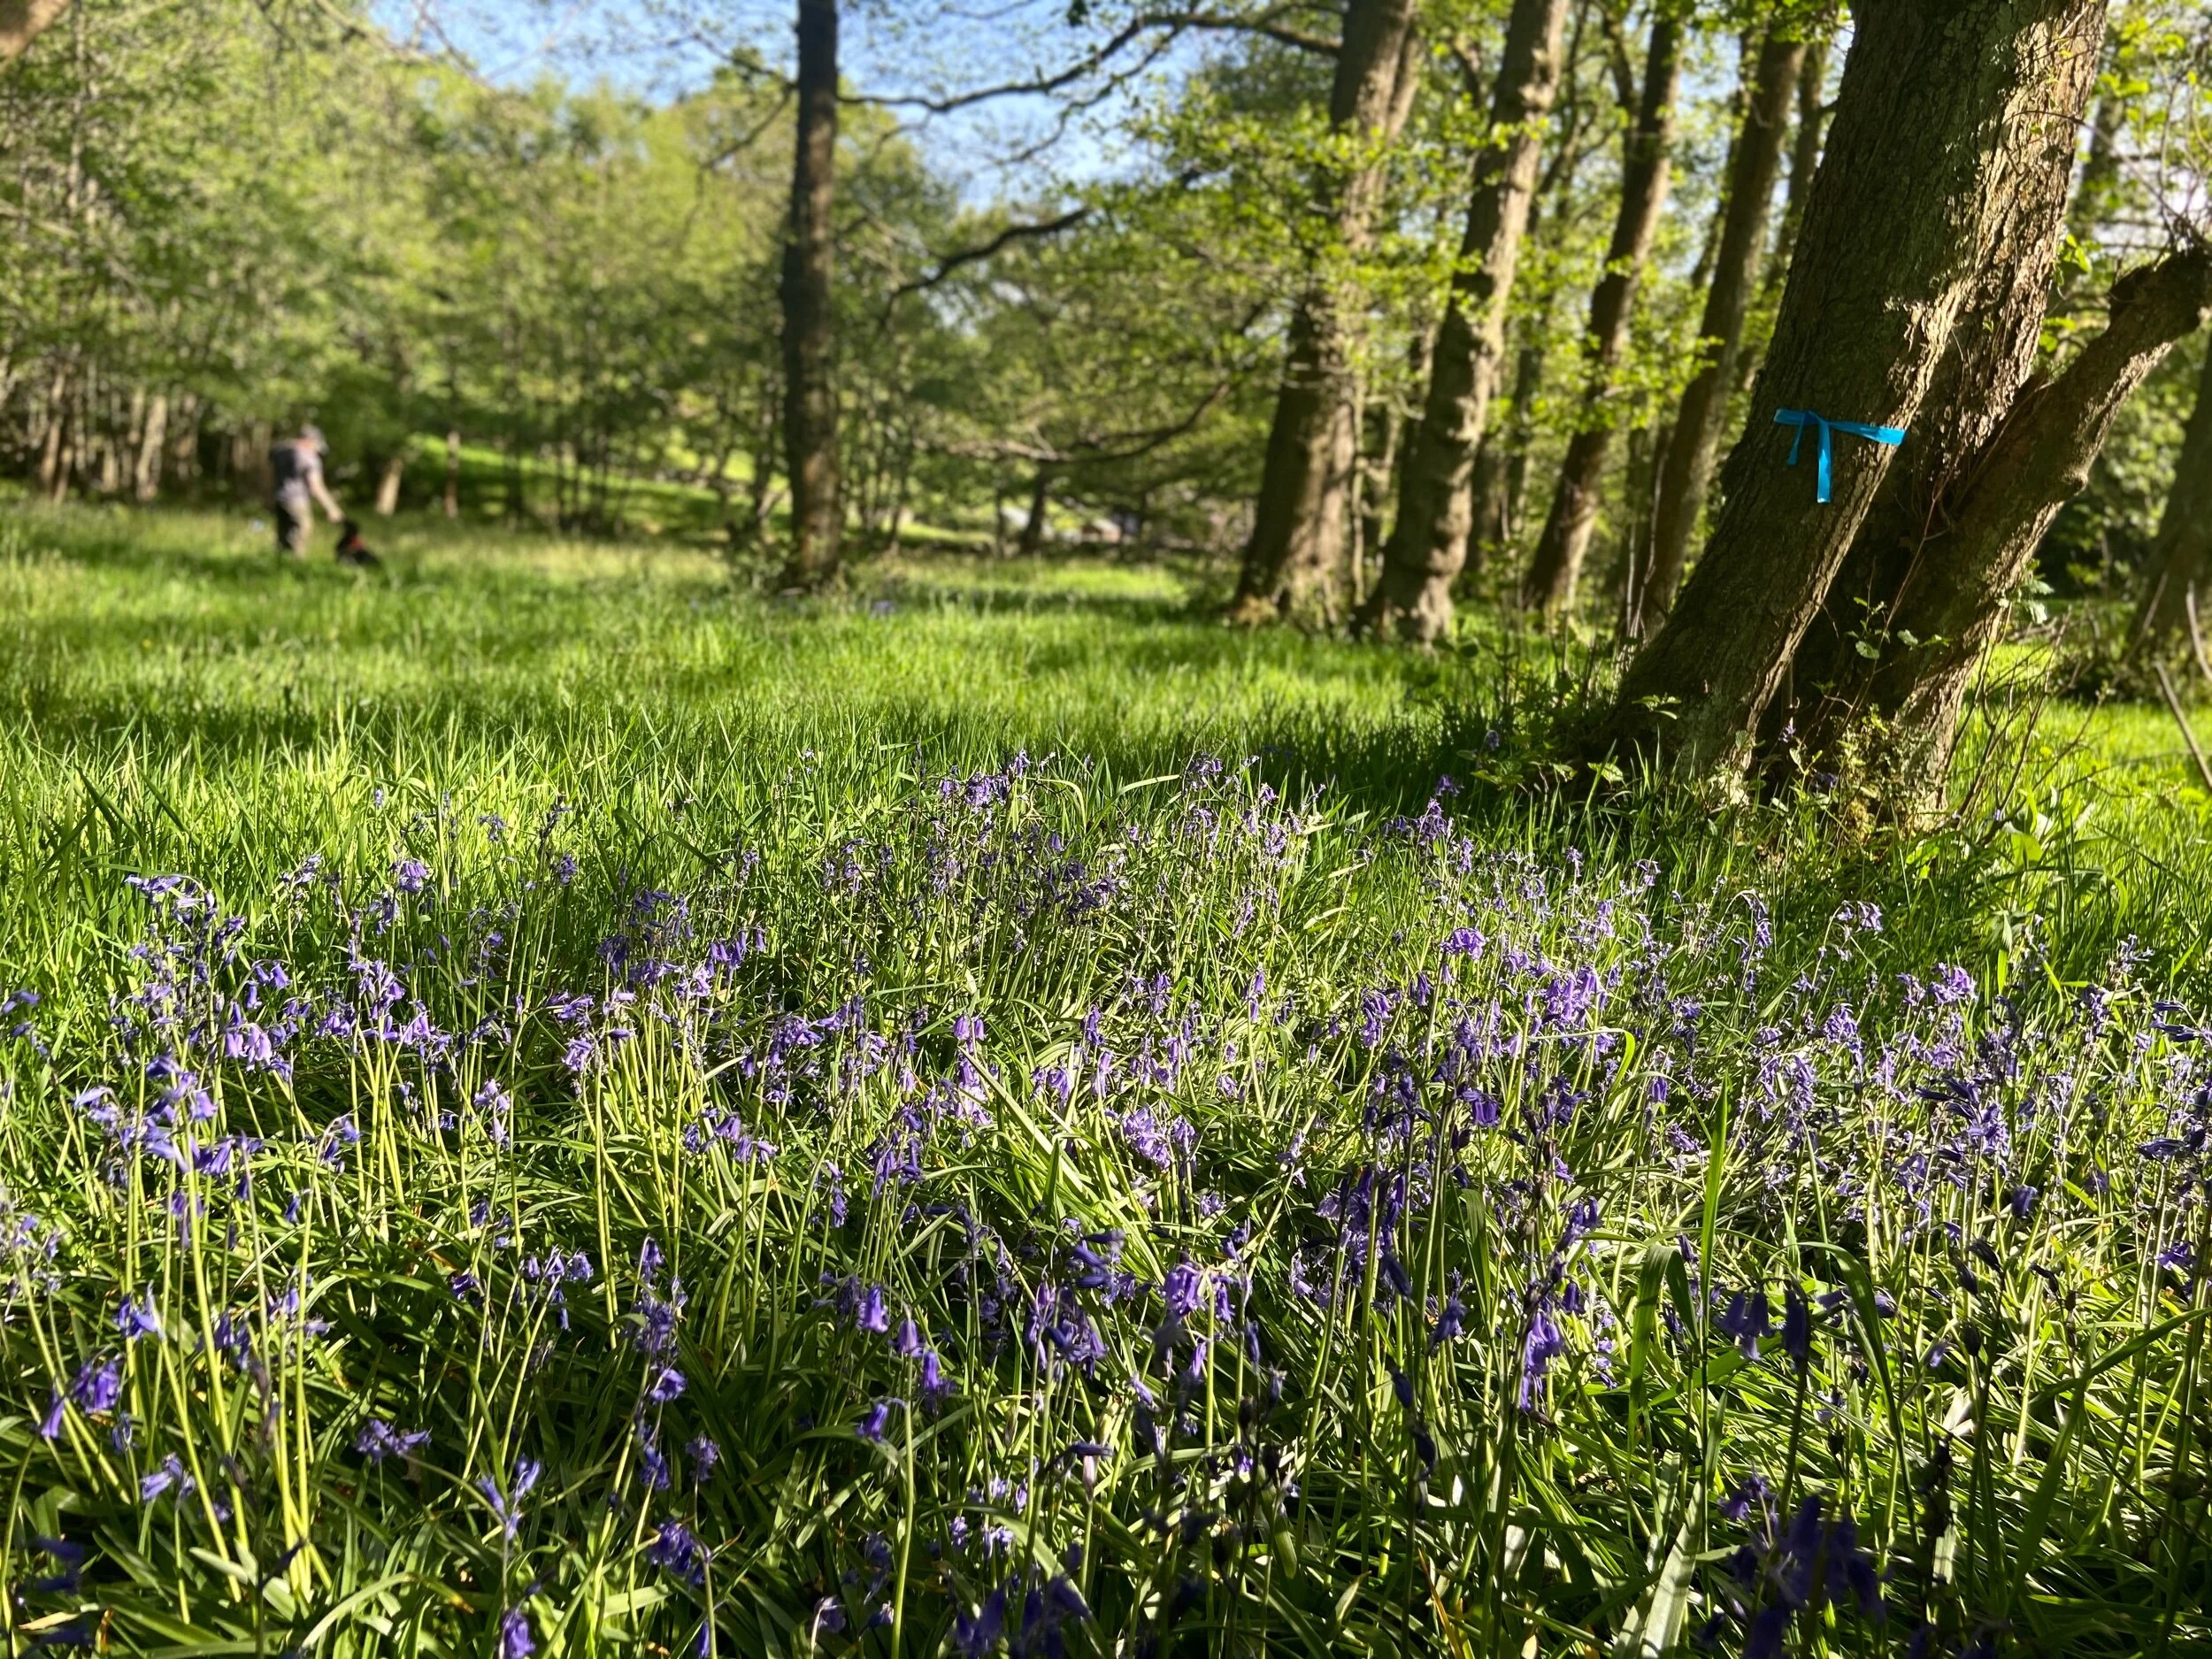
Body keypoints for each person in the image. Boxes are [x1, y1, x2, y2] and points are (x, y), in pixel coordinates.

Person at [269, 422, 342, 556]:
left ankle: (278, 567)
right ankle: (295, 570)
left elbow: (274, 451)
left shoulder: (281, 452)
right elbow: (316, 486)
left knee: (282, 538)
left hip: (280, 499)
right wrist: (332, 508)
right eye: (316, 445)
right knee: (300, 536)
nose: (316, 450)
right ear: (310, 441)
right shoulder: (310, 458)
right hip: (298, 501)